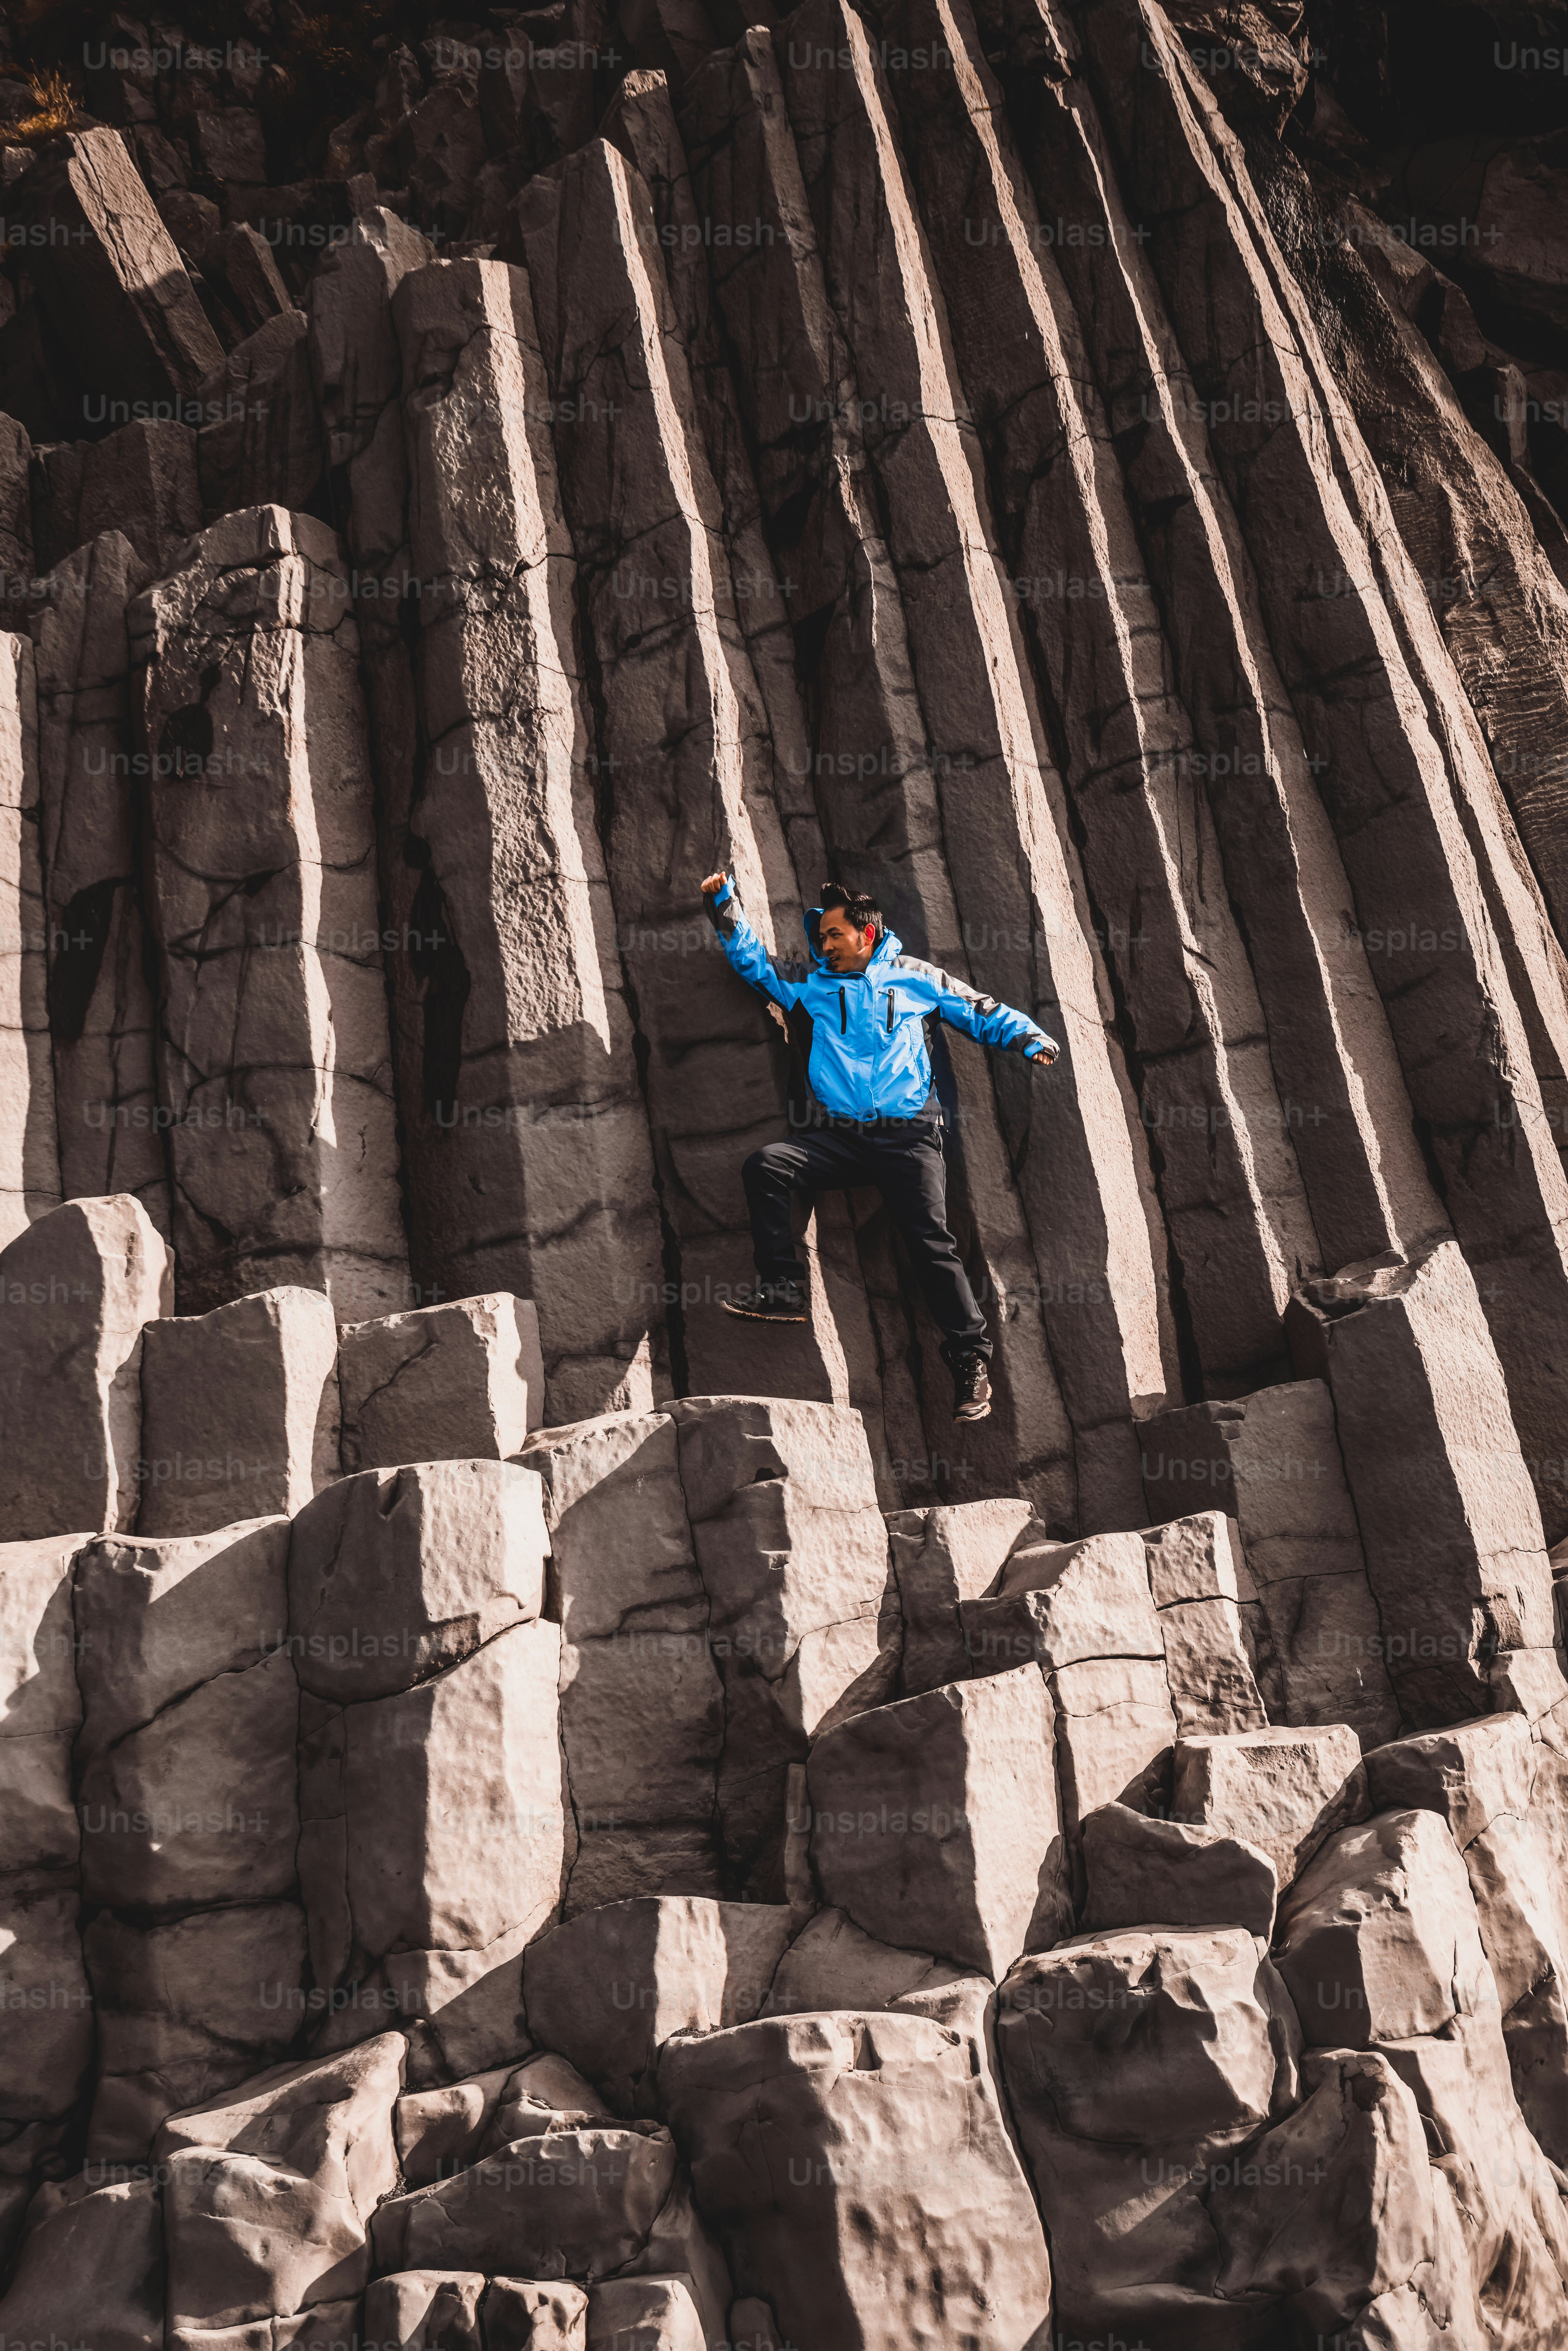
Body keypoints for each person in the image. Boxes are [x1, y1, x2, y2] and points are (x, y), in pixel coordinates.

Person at [700, 870, 1059, 1423]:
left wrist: (1029, 1038)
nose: (824, 945)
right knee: (767, 1166)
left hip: (909, 1139)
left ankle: (970, 1362)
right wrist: (722, 903)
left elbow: (980, 1010)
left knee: (931, 1245)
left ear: (866, 935)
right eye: (820, 938)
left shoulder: (916, 979)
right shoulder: (811, 986)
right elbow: (755, 964)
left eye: (834, 936)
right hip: (843, 1139)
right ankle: (783, 1291)